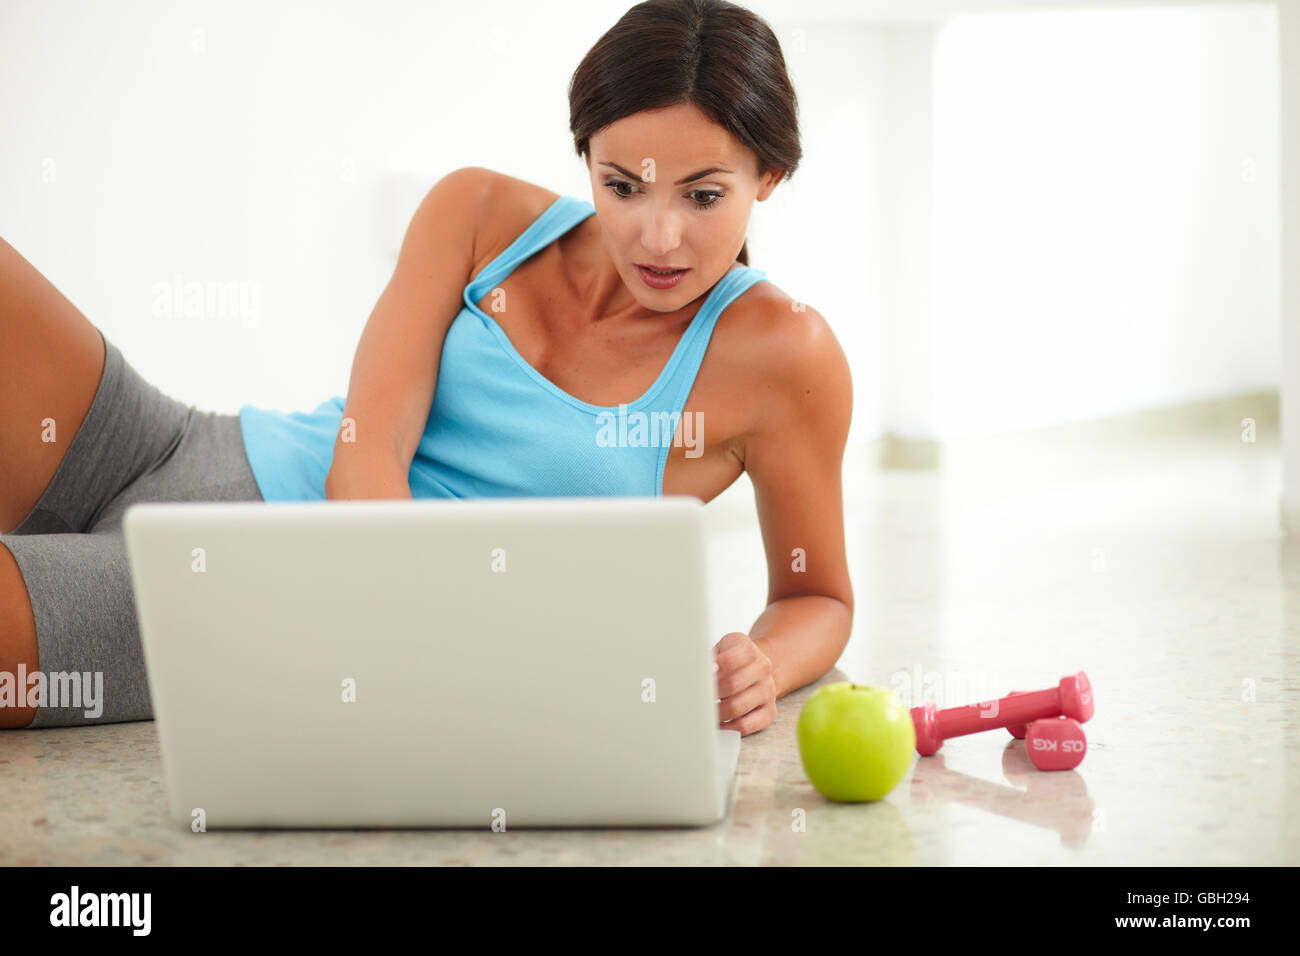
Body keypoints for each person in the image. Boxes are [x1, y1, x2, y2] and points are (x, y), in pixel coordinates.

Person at [0, 0, 852, 734]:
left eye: (702, 197)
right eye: (622, 185)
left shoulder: (784, 356)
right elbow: (367, 450)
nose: (656, 237)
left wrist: (765, 666)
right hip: (179, 449)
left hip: (262, 592)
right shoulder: (479, 212)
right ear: (586, 154)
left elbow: (819, 598)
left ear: (768, 174)